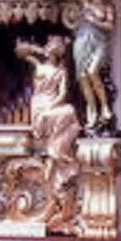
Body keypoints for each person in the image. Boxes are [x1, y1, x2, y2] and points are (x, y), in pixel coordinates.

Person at [15, 35, 80, 188]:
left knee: (70, 112)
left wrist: (53, 106)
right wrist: (38, 49)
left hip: (53, 105)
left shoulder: (61, 71)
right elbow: (20, 51)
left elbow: (62, 94)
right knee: (66, 114)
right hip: (39, 105)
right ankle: (57, 154)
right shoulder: (38, 65)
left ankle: (57, 152)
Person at [67, 0, 116, 128]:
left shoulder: (108, 6)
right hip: (82, 40)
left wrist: (93, 21)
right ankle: (92, 108)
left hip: (98, 42)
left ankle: (104, 105)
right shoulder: (85, 1)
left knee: (92, 72)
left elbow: (110, 26)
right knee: (83, 78)